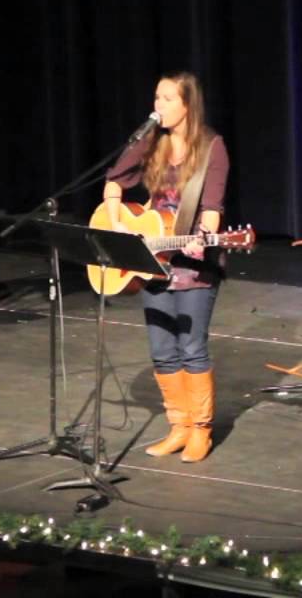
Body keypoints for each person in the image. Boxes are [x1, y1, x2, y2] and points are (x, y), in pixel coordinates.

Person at [103, 72, 230, 463]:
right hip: (153, 259)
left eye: (167, 99)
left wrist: (202, 239)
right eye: (156, 97)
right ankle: (178, 426)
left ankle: (199, 431)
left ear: (187, 105)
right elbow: (113, 183)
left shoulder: (212, 147)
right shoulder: (150, 142)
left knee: (191, 346)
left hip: (193, 264)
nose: (157, 106)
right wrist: (118, 222)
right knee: (162, 350)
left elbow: (211, 209)